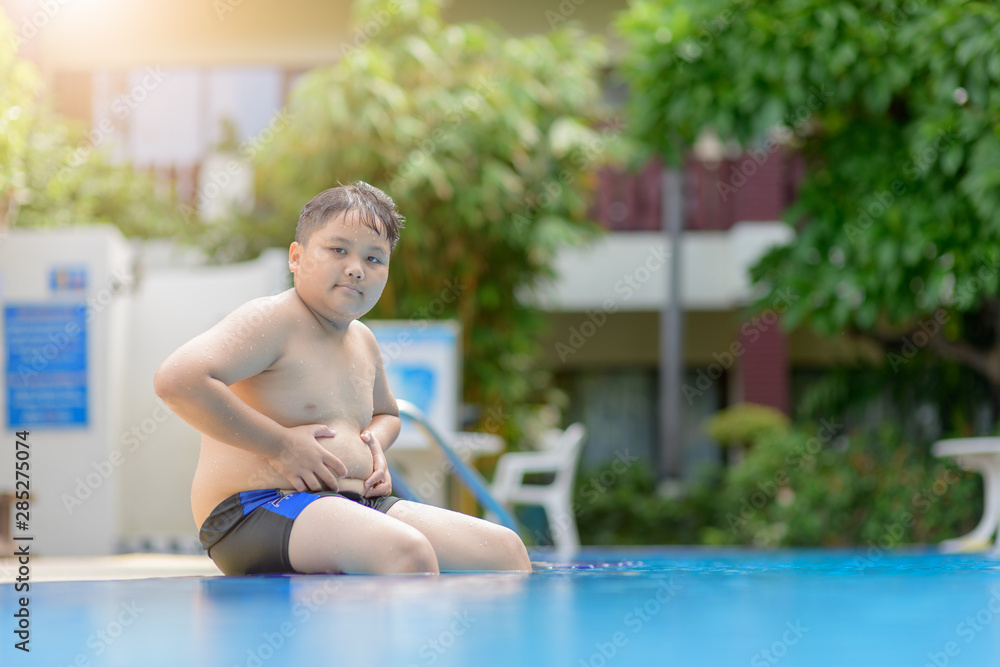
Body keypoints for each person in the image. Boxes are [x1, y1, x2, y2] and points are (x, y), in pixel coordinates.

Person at [154, 181, 531, 575]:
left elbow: (388, 414)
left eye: (374, 258)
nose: (356, 267)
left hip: (354, 502)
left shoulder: (363, 340)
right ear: (296, 257)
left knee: (505, 551)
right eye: (338, 250)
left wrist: (375, 446)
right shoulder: (273, 320)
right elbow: (178, 381)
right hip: (257, 507)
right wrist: (280, 445)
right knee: (404, 552)